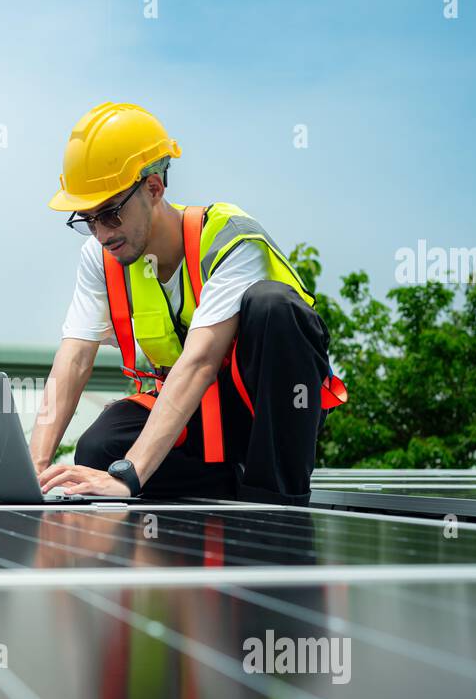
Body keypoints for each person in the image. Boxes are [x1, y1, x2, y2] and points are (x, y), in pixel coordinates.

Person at [29, 102, 344, 506]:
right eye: (86, 219)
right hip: (198, 415)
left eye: (110, 214)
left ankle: (274, 495)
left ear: (154, 188)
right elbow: (73, 360)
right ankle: (225, 484)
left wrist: (130, 476)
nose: (101, 233)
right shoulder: (103, 254)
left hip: (265, 411)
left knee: (273, 306)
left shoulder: (230, 239)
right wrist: (33, 468)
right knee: (97, 451)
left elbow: (199, 361)